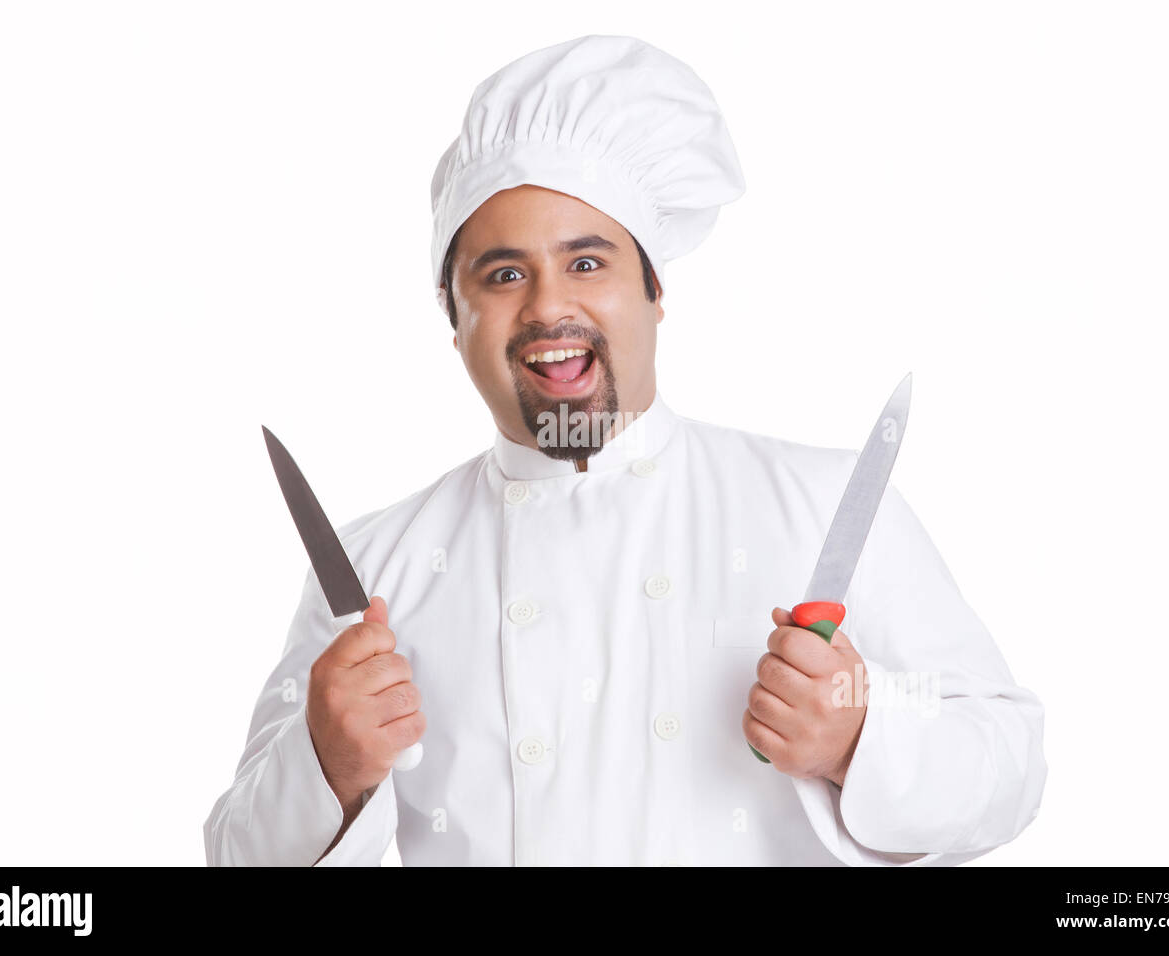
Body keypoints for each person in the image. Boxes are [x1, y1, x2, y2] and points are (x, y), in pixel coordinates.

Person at [204, 34, 1046, 867]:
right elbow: (235, 855)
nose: (547, 307)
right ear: (451, 319)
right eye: (502, 275)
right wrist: (325, 764)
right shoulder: (369, 566)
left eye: (587, 261)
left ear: (655, 292)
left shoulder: (822, 507)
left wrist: (864, 732)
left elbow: (1010, 760)